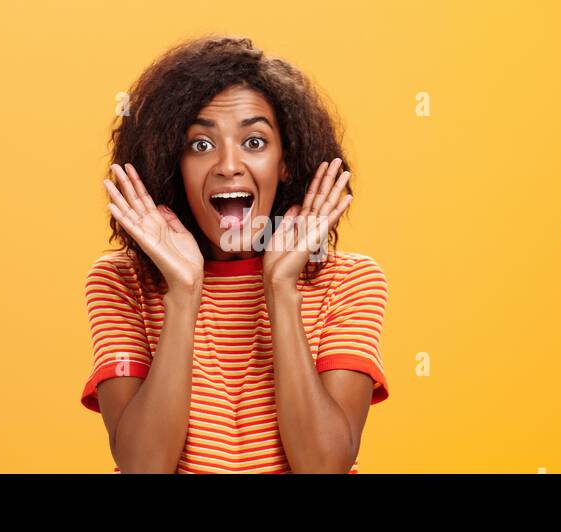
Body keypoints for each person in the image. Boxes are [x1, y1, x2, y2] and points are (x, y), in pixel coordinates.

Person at [81, 36, 389, 473]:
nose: (228, 165)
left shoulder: (349, 282)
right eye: (201, 145)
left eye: (255, 142)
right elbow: (142, 466)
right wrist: (183, 292)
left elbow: (324, 467)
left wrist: (281, 287)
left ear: (286, 161)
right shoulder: (121, 282)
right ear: (173, 162)